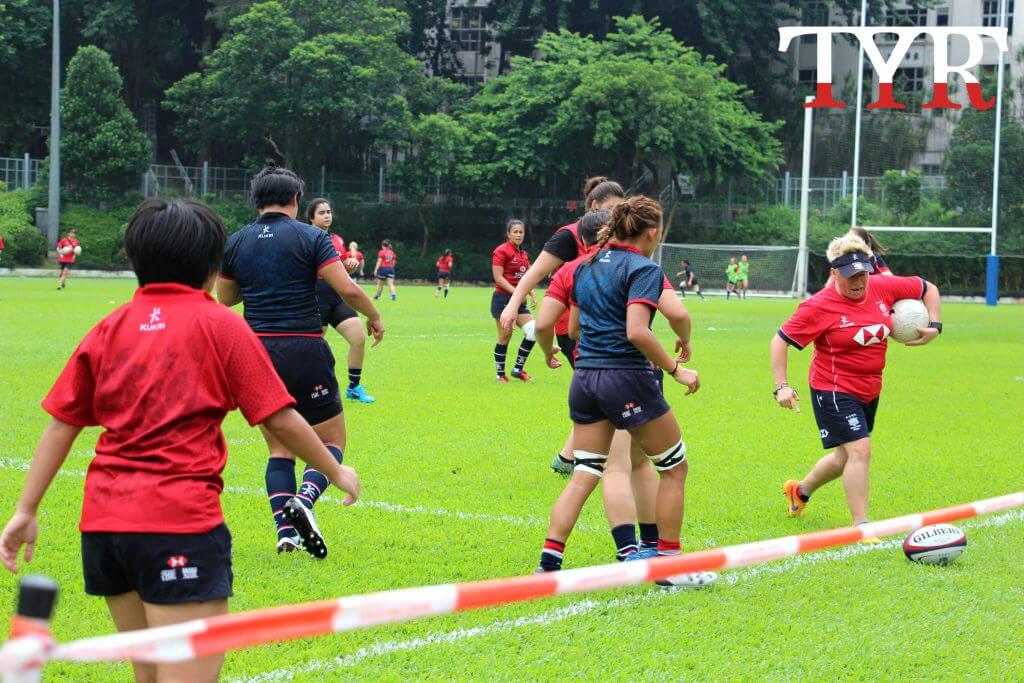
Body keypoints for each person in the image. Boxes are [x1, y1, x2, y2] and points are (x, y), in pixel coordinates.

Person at [0, 198, 360, 683]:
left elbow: (62, 423)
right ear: (215, 265)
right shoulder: (222, 327)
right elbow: (280, 419)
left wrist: (26, 509)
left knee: (148, 676)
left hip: (104, 530)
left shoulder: (108, 328)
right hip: (178, 525)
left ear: (133, 259)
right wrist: (335, 471)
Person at [536, 196, 714, 588]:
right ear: (652, 232)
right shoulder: (644, 268)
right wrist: (677, 369)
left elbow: (573, 329)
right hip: (627, 378)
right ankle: (669, 568)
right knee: (674, 467)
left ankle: (548, 565)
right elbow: (637, 331)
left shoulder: (583, 266)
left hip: (584, 378)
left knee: (584, 472)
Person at [216, 165, 384, 558]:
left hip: (254, 352)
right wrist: (375, 318)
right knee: (331, 440)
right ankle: (306, 502)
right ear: (295, 200)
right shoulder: (311, 237)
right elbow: (347, 289)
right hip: (304, 348)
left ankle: (285, 534)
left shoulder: (237, 242)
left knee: (279, 449)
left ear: (256, 201)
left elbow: (226, 298)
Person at [772, 233, 941, 532]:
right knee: (861, 451)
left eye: (863, 273)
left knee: (843, 458)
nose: (858, 281)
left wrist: (935, 325)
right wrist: (782, 386)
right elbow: (780, 340)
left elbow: (928, 288)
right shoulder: (819, 306)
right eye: (850, 276)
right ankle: (861, 526)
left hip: (870, 387)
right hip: (833, 388)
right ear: (834, 272)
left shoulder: (882, 286)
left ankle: (799, 491)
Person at [498, 176, 627, 472]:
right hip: (575, 329)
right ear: (594, 206)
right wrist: (512, 305)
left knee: (603, 392)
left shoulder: (620, 234)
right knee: (610, 391)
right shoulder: (569, 236)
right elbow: (535, 272)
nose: (616, 216)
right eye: (611, 209)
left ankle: (569, 459)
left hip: (610, 328)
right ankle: (591, 462)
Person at [305, 198, 375, 404]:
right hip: (315, 297)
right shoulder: (306, 238)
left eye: (329, 212)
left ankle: (353, 388)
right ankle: (308, 387)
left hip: (338, 296)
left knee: (358, 339)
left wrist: (349, 265)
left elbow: (340, 268)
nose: (327, 215)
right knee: (313, 347)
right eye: (321, 213)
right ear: (311, 217)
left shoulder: (338, 240)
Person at [491, 219, 537, 382]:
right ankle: (500, 375)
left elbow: (528, 275)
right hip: (503, 299)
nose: (518, 235)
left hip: (519, 301)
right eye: (515, 232)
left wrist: (531, 293)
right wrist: (518, 292)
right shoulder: (501, 251)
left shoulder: (523, 253)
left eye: (521, 232)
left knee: (534, 331)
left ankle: (518, 368)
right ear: (508, 234)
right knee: (505, 336)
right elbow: (498, 278)